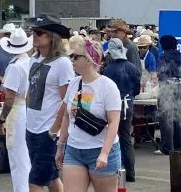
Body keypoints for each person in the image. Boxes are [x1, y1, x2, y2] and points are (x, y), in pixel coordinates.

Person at [56, 37, 123, 192]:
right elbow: (66, 116)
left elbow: (114, 122)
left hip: (100, 148)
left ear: (88, 60)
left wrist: (104, 153)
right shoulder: (74, 83)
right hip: (74, 150)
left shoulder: (108, 86)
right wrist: (60, 146)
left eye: (75, 57)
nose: (72, 60)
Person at [25, 14, 75, 192]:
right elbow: (30, 92)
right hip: (32, 127)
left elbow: (67, 100)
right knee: (52, 178)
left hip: (48, 130)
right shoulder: (34, 59)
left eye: (39, 33)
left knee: (35, 181)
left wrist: (55, 130)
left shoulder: (63, 63)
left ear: (51, 37)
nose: (34, 36)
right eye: (33, 32)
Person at [0, 28, 35, 192]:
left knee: (17, 155)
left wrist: (2, 119)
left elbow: (10, 97)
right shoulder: (31, 62)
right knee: (24, 153)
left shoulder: (14, 67)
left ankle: (21, 188)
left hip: (17, 110)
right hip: (29, 108)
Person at [98, 38, 140, 183]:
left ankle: (114, 172)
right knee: (126, 138)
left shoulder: (108, 70)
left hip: (112, 108)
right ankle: (131, 173)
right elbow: (137, 89)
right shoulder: (132, 67)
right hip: (128, 105)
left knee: (111, 138)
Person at [156, 34, 181, 154]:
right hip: (178, 87)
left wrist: (164, 81)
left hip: (166, 88)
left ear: (163, 45)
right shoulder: (180, 56)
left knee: (166, 118)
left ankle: (167, 148)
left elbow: (160, 73)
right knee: (177, 117)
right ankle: (179, 146)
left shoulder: (162, 57)